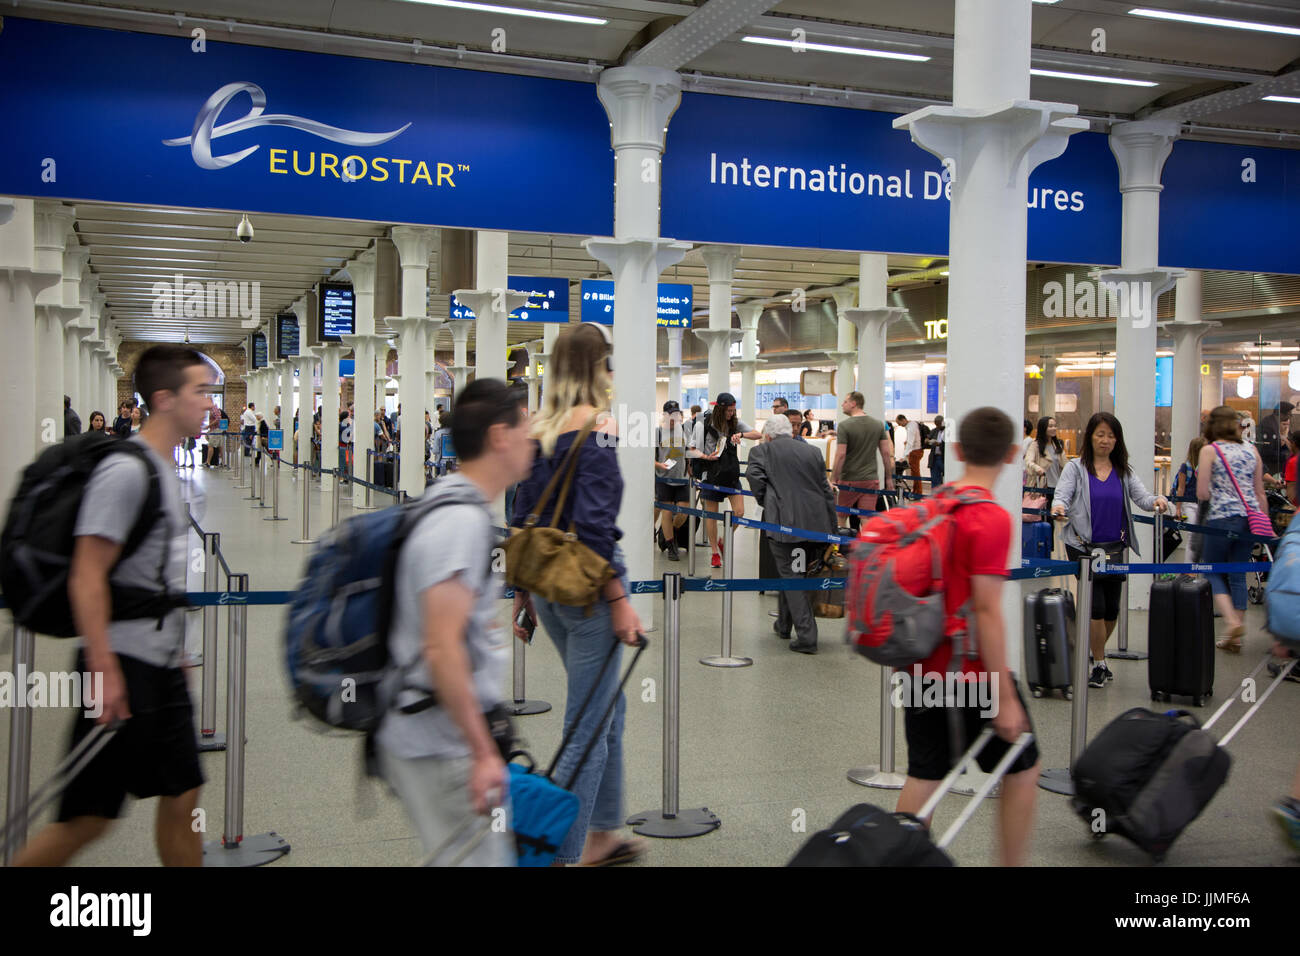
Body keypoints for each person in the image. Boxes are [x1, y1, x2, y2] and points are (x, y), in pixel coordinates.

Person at [13, 345, 216, 867]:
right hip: (122, 665)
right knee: (87, 819)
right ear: (165, 399)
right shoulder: (126, 471)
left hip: (156, 665)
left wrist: (178, 659)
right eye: (200, 392)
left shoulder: (163, 469)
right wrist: (103, 669)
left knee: (183, 794)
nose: (210, 404)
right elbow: (87, 575)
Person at [374, 379, 533, 867]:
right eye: (526, 427)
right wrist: (483, 751)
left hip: (437, 731)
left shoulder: (451, 502)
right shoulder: (459, 521)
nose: (534, 438)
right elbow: (442, 648)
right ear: (500, 436)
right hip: (438, 741)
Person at [509, 323, 646, 867]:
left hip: (549, 592)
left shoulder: (539, 430)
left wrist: (523, 596)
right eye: (608, 364)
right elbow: (594, 527)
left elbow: (522, 519)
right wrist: (620, 601)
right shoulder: (600, 428)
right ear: (596, 368)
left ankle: (604, 835)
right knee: (585, 730)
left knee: (607, 711)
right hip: (591, 596)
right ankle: (558, 855)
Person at [893, 407, 1041, 867]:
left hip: (919, 661)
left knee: (925, 773)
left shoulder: (934, 503)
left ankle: (892, 859)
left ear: (955, 450)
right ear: (1013, 455)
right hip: (969, 672)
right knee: (1023, 764)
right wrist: (1005, 695)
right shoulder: (991, 518)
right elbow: (986, 611)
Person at [1051, 412, 1170, 688]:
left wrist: (1158, 501)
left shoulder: (1123, 471)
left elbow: (1142, 498)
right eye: (1100, 434)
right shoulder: (1075, 468)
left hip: (1115, 547)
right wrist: (1058, 508)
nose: (1105, 440)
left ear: (1117, 440)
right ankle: (1100, 663)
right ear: (1090, 436)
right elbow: (1062, 496)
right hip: (1083, 546)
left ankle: (1089, 653)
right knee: (1096, 606)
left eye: (1111, 435)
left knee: (1113, 610)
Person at [745, 414, 837, 654]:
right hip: (815, 524)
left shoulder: (761, 452)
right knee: (795, 572)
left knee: (792, 575)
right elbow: (825, 490)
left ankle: (807, 636)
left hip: (784, 525)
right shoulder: (812, 452)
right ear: (791, 432)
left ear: (768, 435)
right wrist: (832, 527)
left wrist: (771, 503)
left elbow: (756, 481)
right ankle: (783, 624)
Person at [1198, 405, 1268, 653]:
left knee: (1213, 570)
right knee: (1238, 573)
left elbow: (1202, 492)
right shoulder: (1252, 450)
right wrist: (1264, 524)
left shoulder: (1210, 451)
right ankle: (1235, 636)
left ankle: (1231, 621)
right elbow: (1260, 492)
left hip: (1222, 518)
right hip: (1250, 520)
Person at [687, 393, 761, 569]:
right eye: (728, 410)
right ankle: (714, 552)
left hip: (730, 473)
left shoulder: (734, 423)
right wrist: (706, 456)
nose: (731, 414)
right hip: (710, 473)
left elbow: (757, 434)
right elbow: (690, 450)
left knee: (740, 512)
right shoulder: (703, 424)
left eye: (733, 410)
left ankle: (724, 540)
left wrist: (741, 435)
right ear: (720, 409)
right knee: (711, 516)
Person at [832, 392, 894, 533]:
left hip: (849, 480)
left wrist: (833, 478)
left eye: (845, 401)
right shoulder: (878, 425)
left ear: (854, 403)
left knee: (841, 516)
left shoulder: (844, 426)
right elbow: (886, 453)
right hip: (870, 480)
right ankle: (867, 551)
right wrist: (889, 478)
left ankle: (840, 550)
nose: (842, 404)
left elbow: (840, 455)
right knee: (866, 518)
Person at [654, 401, 689, 561]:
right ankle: (671, 545)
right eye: (671, 414)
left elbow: (688, 453)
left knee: (683, 510)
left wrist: (690, 468)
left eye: (676, 413)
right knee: (667, 511)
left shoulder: (684, 431)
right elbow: (648, 457)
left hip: (682, 478)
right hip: (663, 478)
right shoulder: (658, 432)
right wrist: (659, 465)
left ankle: (667, 531)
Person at [1175, 437, 1207, 560]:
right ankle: (1189, 567)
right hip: (1189, 504)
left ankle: (1198, 566)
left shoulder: (1205, 465)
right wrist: (1178, 508)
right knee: (1192, 534)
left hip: (1202, 504)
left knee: (1202, 535)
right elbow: (1181, 488)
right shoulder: (1186, 467)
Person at [1024, 416, 1064, 490]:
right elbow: (1028, 461)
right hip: (1041, 488)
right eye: (1050, 426)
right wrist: (1037, 468)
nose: (1054, 428)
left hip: (1057, 487)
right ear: (1043, 428)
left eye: (1055, 426)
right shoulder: (1035, 445)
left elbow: (1065, 464)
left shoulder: (1057, 445)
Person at [1257, 401, 1294, 477]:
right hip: (1270, 466)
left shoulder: (1277, 423)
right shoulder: (1269, 425)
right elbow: (1268, 450)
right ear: (1281, 413)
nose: (1290, 416)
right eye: (1289, 414)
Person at [896, 414, 923, 496]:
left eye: (899, 423)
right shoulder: (913, 424)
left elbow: (910, 443)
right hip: (916, 451)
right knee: (915, 473)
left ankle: (918, 492)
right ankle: (916, 491)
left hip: (915, 452)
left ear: (903, 419)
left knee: (916, 473)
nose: (899, 425)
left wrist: (903, 456)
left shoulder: (911, 427)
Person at [928, 414, 946, 489]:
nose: (937, 426)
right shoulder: (934, 431)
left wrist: (939, 444)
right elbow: (928, 438)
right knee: (935, 480)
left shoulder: (948, 431)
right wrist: (927, 441)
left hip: (943, 458)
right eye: (936, 424)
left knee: (946, 479)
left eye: (938, 424)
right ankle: (935, 497)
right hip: (934, 458)